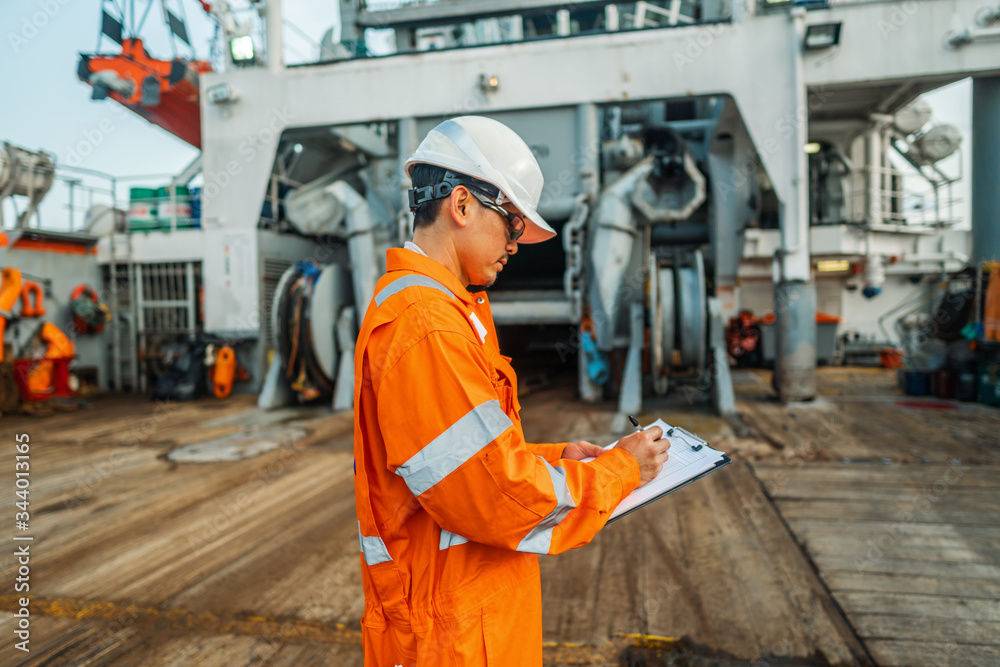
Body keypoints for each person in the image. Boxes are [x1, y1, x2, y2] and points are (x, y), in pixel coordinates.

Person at [353, 115, 669, 666]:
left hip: (465, 618)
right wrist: (619, 471)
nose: (518, 245)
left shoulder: (442, 310)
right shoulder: (427, 326)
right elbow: (494, 497)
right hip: (451, 637)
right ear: (461, 206)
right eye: (514, 225)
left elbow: (465, 462)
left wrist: (552, 457)